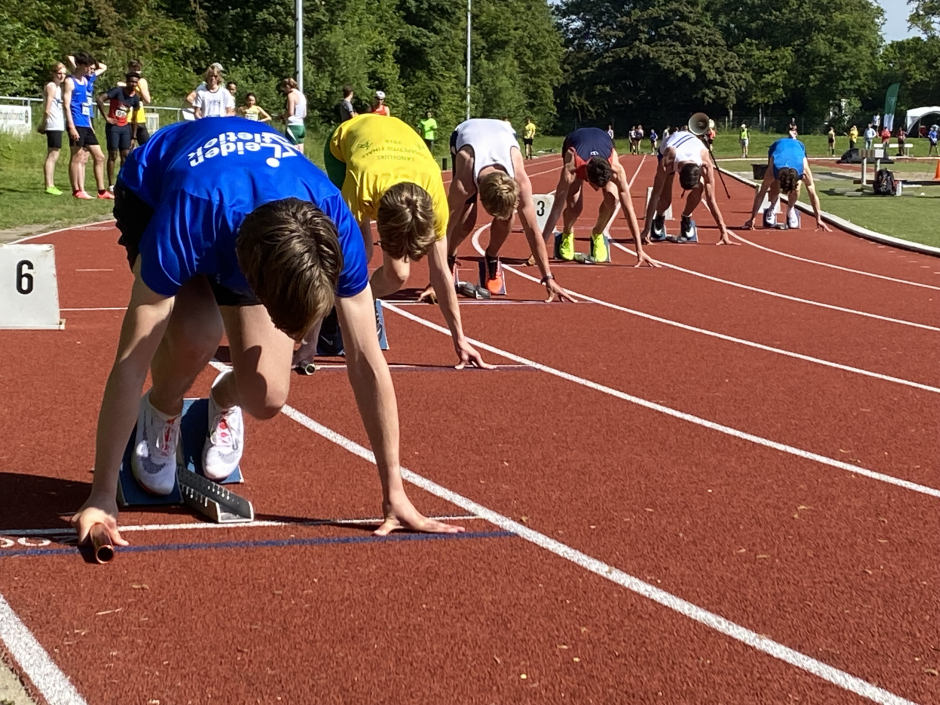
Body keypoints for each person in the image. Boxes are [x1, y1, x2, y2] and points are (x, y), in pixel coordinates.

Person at [70, 116, 464, 547]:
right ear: (255, 279)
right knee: (197, 332)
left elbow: (368, 361)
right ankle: (162, 410)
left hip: (256, 208)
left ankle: (219, 400)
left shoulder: (337, 224)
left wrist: (394, 492)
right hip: (159, 189)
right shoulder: (190, 213)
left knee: (269, 395)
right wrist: (102, 495)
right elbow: (132, 358)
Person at [324, 114, 490, 368]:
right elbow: (339, 255)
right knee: (362, 253)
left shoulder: (435, 203)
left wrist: (460, 338)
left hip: (398, 149)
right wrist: (308, 341)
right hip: (346, 149)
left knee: (398, 275)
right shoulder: (361, 183)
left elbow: (441, 273)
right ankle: (329, 310)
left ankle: (359, 302)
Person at [443, 118, 574, 299]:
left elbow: (533, 230)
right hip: (466, 136)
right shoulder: (464, 180)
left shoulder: (520, 180)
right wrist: (436, 277)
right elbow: (444, 229)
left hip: (502, 134)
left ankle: (492, 256)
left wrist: (548, 277)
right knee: (465, 218)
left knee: (508, 218)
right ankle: (450, 258)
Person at [540, 126, 658, 266]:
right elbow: (556, 208)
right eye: (595, 185)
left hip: (602, 142)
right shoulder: (571, 167)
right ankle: (567, 233)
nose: (596, 190)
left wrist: (639, 250)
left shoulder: (616, 170)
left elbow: (628, 209)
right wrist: (539, 249)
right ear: (586, 176)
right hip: (575, 145)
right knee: (574, 206)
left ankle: (598, 233)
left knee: (612, 198)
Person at [641, 128, 733, 245]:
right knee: (665, 200)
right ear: (678, 171)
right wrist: (646, 229)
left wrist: (723, 231)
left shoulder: (705, 164)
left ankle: (686, 216)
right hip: (670, 149)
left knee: (699, 190)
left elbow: (711, 200)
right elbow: (655, 195)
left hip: (691, 150)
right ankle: (659, 216)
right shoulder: (667, 162)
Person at [744, 138, 832, 233]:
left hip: (798, 147)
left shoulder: (804, 171)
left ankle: (790, 208)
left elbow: (813, 194)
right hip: (777, 147)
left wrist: (818, 218)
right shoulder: (772, 171)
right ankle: (773, 205)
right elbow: (761, 193)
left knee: (796, 189)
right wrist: (753, 217)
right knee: (774, 187)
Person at [62, 52, 110, 200]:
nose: (92, 69)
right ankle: (77, 190)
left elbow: (102, 67)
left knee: (100, 156)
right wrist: (71, 126)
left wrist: (90, 124)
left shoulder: (86, 80)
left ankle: (102, 191)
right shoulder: (70, 81)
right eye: (89, 66)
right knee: (76, 156)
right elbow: (66, 105)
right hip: (76, 122)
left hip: (86, 123)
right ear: (82, 65)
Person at [96, 72, 142, 192]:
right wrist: (106, 117)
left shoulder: (135, 98)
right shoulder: (117, 91)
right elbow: (99, 99)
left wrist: (134, 136)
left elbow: (135, 118)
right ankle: (111, 185)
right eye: (131, 81)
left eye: (136, 82)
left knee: (125, 156)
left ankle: (121, 182)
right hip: (113, 127)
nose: (133, 84)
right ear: (127, 81)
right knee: (113, 155)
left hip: (125, 128)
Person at [39, 62, 67, 196]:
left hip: (58, 123)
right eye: (59, 73)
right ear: (53, 73)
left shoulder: (59, 88)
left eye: (63, 73)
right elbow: (47, 108)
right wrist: (43, 124)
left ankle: (50, 184)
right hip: (53, 124)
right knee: (52, 155)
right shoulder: (51, 86)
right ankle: (49, 185)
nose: (61, 76)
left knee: (55, 154)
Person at [124, 60, 151, 147]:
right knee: (128, 147)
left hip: (139, 117)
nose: (136, 73)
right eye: (133, 70)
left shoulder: (141, 82)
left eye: (137, 70)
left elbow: (148, 100)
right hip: (128, 118)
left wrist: (139, 87)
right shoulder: (125, 83)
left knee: (146, 145)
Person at [280, 77, 307, 151]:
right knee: (300, 153)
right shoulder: (302, 95)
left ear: (287, 86)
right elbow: (304, 114)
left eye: (284, 89)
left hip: (293, 127)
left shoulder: (291, 95)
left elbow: (290, 112)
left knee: (292, 151)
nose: (284, 91)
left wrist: (282, 117)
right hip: (301, 126)